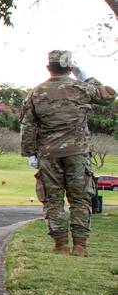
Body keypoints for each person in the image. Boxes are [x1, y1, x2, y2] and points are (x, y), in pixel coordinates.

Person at [20, 50, 116, 257]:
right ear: (70, 68)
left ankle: (60, 244)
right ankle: (80, 246)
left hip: (48, 154)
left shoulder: (36, 92)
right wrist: (85, 77)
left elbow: (28, 126)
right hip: (78, 152)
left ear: (49, 68)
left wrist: (30, 154)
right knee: (80, 198)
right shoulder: (81, 88)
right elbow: (109, 95)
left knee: (52, 199)